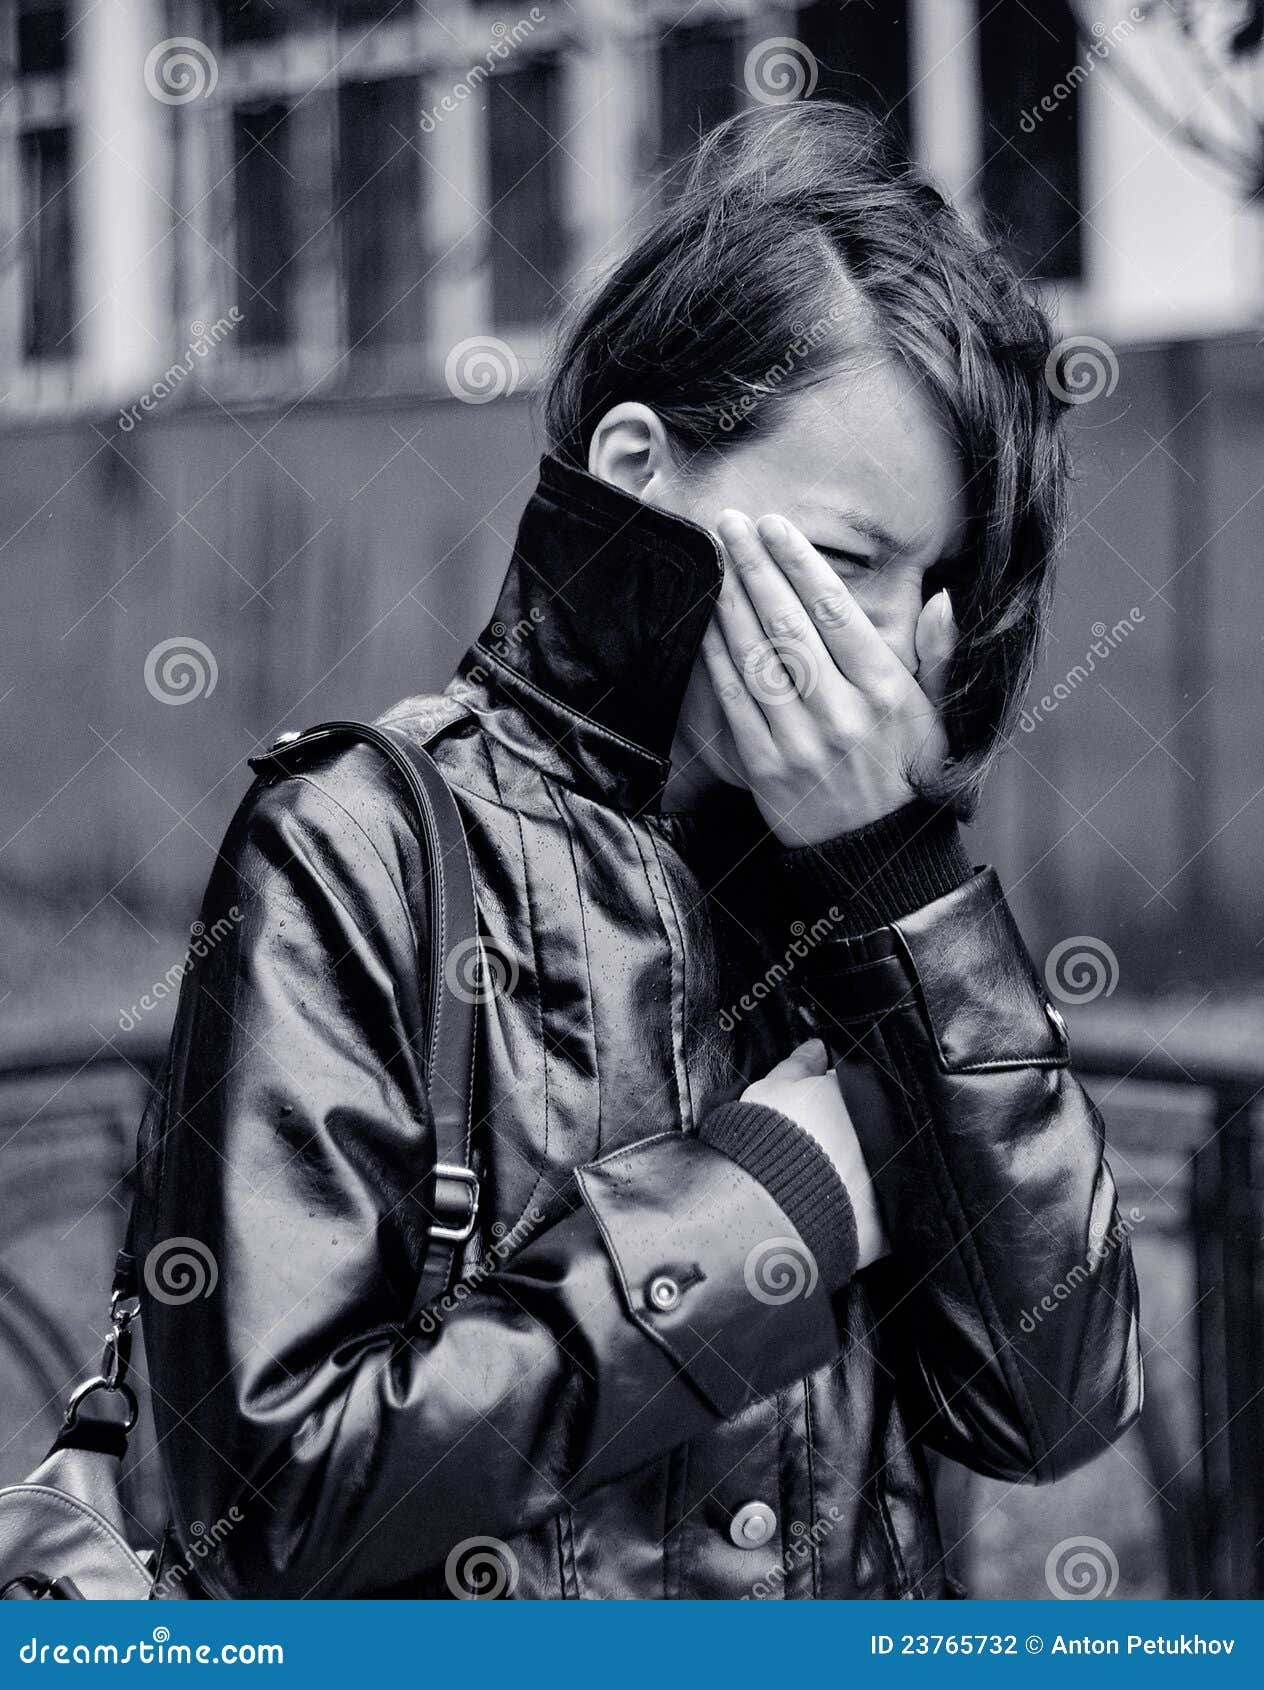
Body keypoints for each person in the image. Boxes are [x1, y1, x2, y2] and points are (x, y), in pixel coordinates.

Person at [135, 101, 1141, 1600]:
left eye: (927, 582)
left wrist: (901, 888)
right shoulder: (356, 845)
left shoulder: (859, 898)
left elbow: (1052, 1400)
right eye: (850, 558)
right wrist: (770, 1208)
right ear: (634, 466)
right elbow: (273, 1502)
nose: (887, 650)